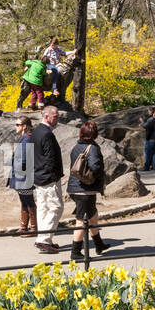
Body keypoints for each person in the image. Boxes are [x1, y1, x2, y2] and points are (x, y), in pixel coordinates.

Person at [67, 120, 107, 260]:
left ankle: (99, 243)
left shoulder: (76, 147)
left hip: (75, 188)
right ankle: (75, 252)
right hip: (86, 190)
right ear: (94, 134)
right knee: (81, 221)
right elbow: (95, 166)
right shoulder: (93, 148)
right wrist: (98, 176)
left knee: (93, 216)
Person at [31, 107, 64, 254]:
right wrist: (54, 176)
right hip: (48, 178)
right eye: (55, 117)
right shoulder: (46, 134)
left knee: (43, 208)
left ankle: (43, 238)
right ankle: (43, 239)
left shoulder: (36, 131)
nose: (58, 119)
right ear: (46, 116)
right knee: (56, 207)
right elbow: (51, 158)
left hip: (38, 176)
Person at [8, 115, 37, 235]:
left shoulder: (27, 139)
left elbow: (24, 159)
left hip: (24, 177)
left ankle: (33, 228)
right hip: (21, 176)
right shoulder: (24, 138)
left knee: (28, 200)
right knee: (24, 200)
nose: (16, 126)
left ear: (24, 126)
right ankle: (24, 226)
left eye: (18, 124)